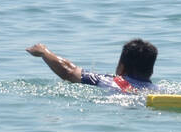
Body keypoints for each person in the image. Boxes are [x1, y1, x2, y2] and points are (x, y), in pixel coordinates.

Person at [25, 39, 159, 93]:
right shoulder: (160, 90)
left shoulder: (107, 81)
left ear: (121, 67)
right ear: (151, 71)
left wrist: (44, 52)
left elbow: (69, 72)